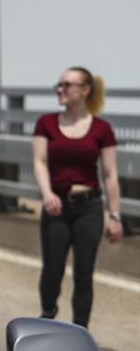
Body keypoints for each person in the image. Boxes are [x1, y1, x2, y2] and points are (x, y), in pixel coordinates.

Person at [32, 67, 124, 327]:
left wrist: (115, 216)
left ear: (84, 90)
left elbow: (110, 174)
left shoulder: (102, 129)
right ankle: (48, 315)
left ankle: (80, 330)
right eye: (58, 85)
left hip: (89, 208)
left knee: (84, 273)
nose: (60, 90)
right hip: (56, 206)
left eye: (66, 85)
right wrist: (47, 193)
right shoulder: (46, 123)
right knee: (53, 269)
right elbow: (39, 162)